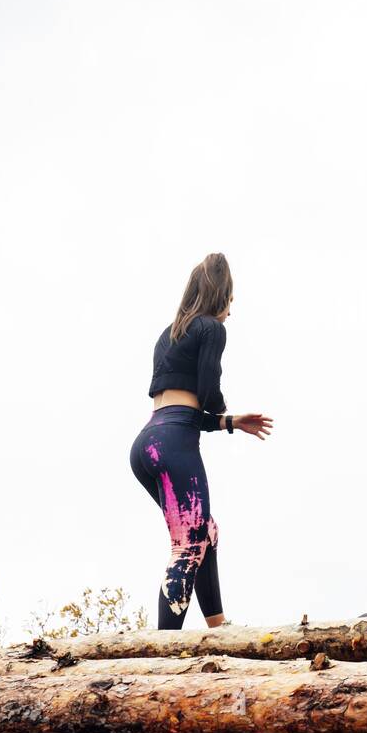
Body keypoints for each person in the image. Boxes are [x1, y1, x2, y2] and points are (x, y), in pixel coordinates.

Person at [129, 252, 272, 630]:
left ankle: (217, 625)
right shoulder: (211, 329)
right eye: (230, 300)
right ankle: (162, 649)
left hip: (148, 442)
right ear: (219, 295)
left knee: (205, 531)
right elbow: (208, 391)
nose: (230, 310)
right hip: (175, 444)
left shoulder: (170, 333)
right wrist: (225, 411)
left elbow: (185, 406)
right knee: (188, 547)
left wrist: (229, 423)